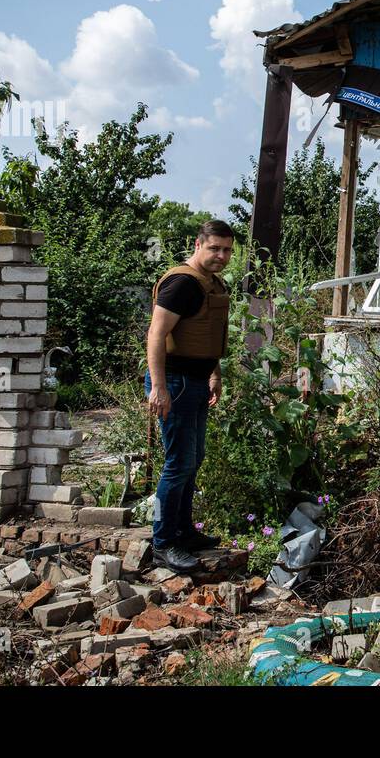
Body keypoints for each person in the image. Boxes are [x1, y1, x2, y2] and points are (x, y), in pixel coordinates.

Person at [144, 219, 235, 572]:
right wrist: (160, 387)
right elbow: (156, 334)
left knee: (192, 459)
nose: (221, 255)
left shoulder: (211, 284)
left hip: (196, 380)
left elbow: (207, 334)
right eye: (214, 248)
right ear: (198, 245)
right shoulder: (182, 283)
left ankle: (183, 531)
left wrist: (215, 372)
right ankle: (163, 543)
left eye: (227, 249)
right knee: (178, 463)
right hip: (176, 383)